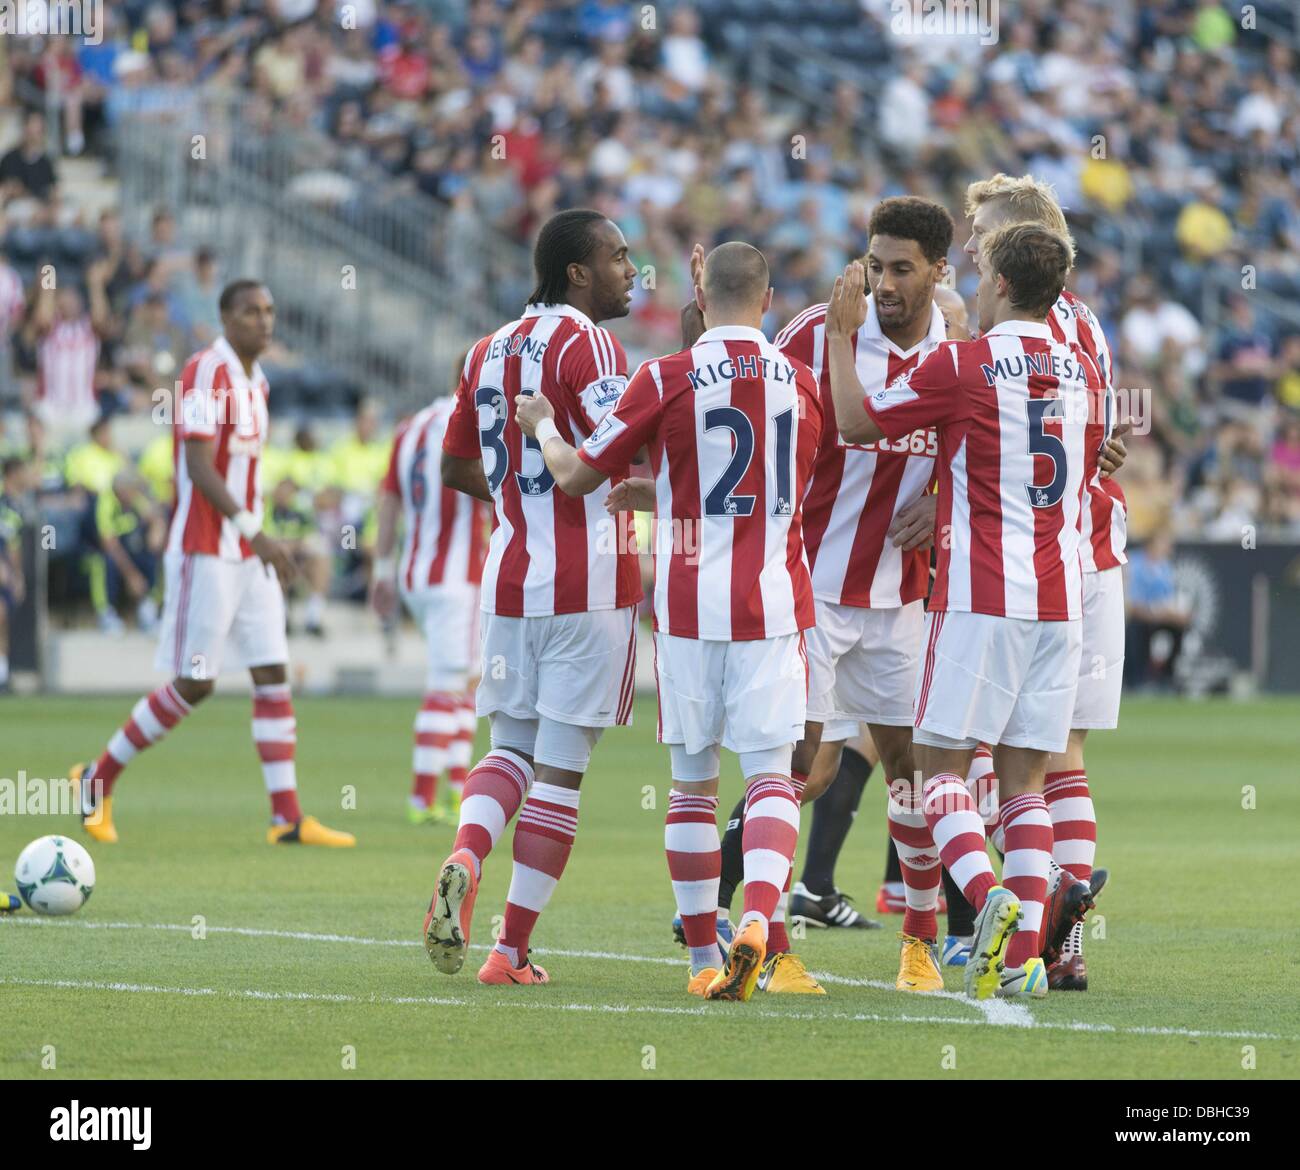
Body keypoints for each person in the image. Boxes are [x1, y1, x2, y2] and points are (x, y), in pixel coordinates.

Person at [519, 241, 823, 1000]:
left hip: (689, 608)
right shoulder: (805, 381)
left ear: (698, 288)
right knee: (772, 776)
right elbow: (778, 489)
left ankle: (700, 963)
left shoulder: (665, 376)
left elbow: (577, 474)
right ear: (769, 296)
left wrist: (544, 425)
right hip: (774, 602)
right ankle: (757, 918)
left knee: (692, 785)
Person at [826, 222, 1101, 1000]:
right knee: (1023, 787)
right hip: (1059, 602)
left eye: (979, 278)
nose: (972, 290)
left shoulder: (964, 363)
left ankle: (990, 907)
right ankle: (1024, 966)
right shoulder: (1081, 371)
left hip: (981, 593)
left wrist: (844, 340)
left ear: (1002, 284)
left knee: (939, 769)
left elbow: (854, 424)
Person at [423, 209, 640, 987]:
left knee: (507, 750)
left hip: (511, 580)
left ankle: (464, 855)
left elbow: (453, 469)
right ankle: (508, 951)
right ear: (577, 273)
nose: (630, 270)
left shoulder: (484, 350)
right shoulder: (590, 342)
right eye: (618, 257)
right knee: (561, 770)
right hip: (589, 584)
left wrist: (525, 493)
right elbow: (625, 440)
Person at [69, 280, 355, 848]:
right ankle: (96, 779)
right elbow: (199, 467)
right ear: (224, 317)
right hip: (206, 548)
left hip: (248, 552)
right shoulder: (206, 371)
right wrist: (259, 533)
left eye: (270, 311)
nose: (264, 321)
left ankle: (287, 818)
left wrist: (260, 532)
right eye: (251, 312)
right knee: (197, 681)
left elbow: (240, 471)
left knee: (273, 671)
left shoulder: (259, 380)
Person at [962, 173, 1127, 988]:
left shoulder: (996, 330)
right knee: (1064, 760)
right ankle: (1063, 943)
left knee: (983, 758)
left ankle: (1023, 903)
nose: (970, 246)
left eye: (983, 234)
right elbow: (1102, 431)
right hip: (1093, 555)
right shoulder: (1088, 327)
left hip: (1028, 564)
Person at [370, 382, 489, 825]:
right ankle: (421, 798)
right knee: (447, 681)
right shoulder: (471, 423)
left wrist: (381, 570)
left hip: (414, 573)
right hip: (457, 576)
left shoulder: (409, 428)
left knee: (466, 679)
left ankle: (458, 789)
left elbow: (388, 500)